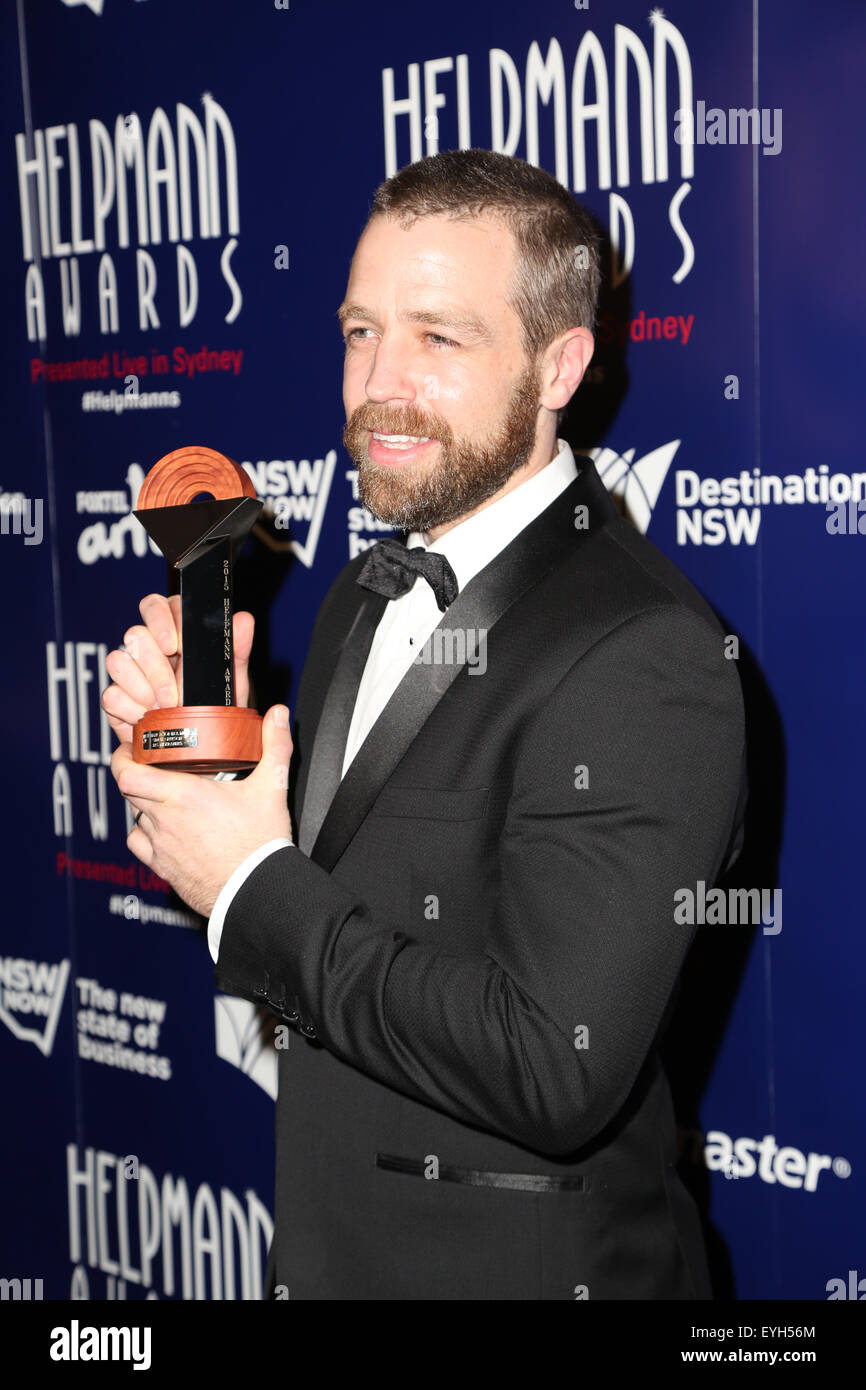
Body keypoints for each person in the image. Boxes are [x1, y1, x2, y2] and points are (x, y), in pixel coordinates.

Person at [105, 149, 746, 1301]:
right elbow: (336, 925)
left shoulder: (646, 653)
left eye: (436, 339)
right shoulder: (362, 591)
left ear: (559, 365)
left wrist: (248, 879)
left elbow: (553, 1065)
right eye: (359, 332)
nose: (376, 386)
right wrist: (203, 801)